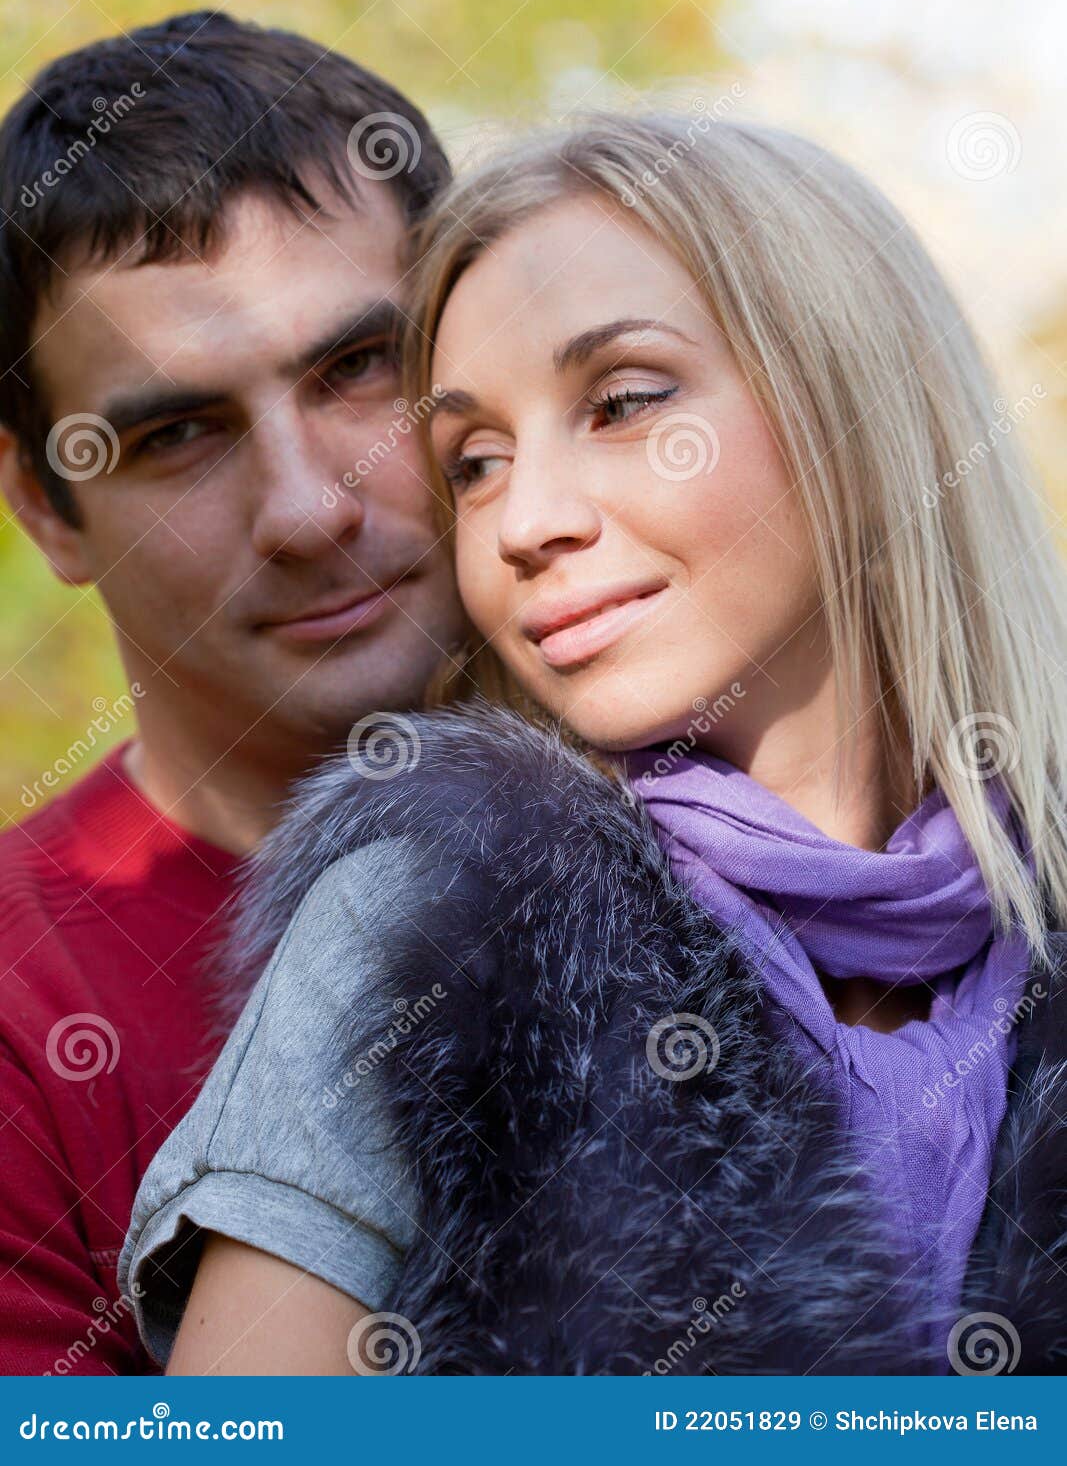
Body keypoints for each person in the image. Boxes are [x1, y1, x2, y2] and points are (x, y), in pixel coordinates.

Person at [120, 113, 1067, 1376]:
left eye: (620, 403)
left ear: (850, 393)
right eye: (473, 462)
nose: (525, 521)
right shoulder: (436, 904)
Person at [0, 10, 465, 1373]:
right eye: (179, 434)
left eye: (356, 368)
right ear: (47, 507)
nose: (307, 507)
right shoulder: (24, 1029)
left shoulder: (770, 816)